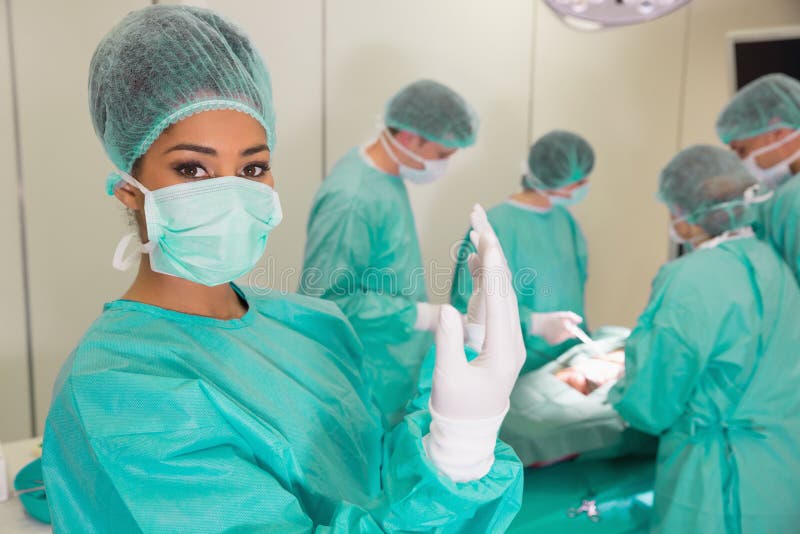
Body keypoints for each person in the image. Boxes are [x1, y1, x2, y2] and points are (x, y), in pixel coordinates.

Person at [41, 6, 527, 532]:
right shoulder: (121, 390)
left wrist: (452, 433)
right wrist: (458, 455)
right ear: (130, 192)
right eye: (192, 168)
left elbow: (375, 479)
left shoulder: (311, 326)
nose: (231, 192)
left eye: (252, 167)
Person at [610, 145, 800, 532]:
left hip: (715, 483)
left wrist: (615, 388)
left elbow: (650, 403)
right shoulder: (775, 263)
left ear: (690, 213)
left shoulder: (690, 279)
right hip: (779, 474)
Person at [299, 79, 479, 425]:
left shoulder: (384, 174)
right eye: (442, 155)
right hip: (364, 378)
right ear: (410, 138)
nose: (443, 165)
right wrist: (422, 316)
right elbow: (327, 301)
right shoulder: (352, 199)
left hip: (389, 366)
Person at [451, 130, 593, 372]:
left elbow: (575, 287)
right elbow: (471, 307)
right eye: (579, 182)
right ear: (556, 179)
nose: (585, 187)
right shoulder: (496, 225)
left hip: (565, 361)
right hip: (513, 368)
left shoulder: (563, 219)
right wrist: (535, 323)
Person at [717, 73, 800, 282]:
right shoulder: (781, 198)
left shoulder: (794, 201)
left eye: (742, 150)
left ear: (778, 132)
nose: (740, 162)